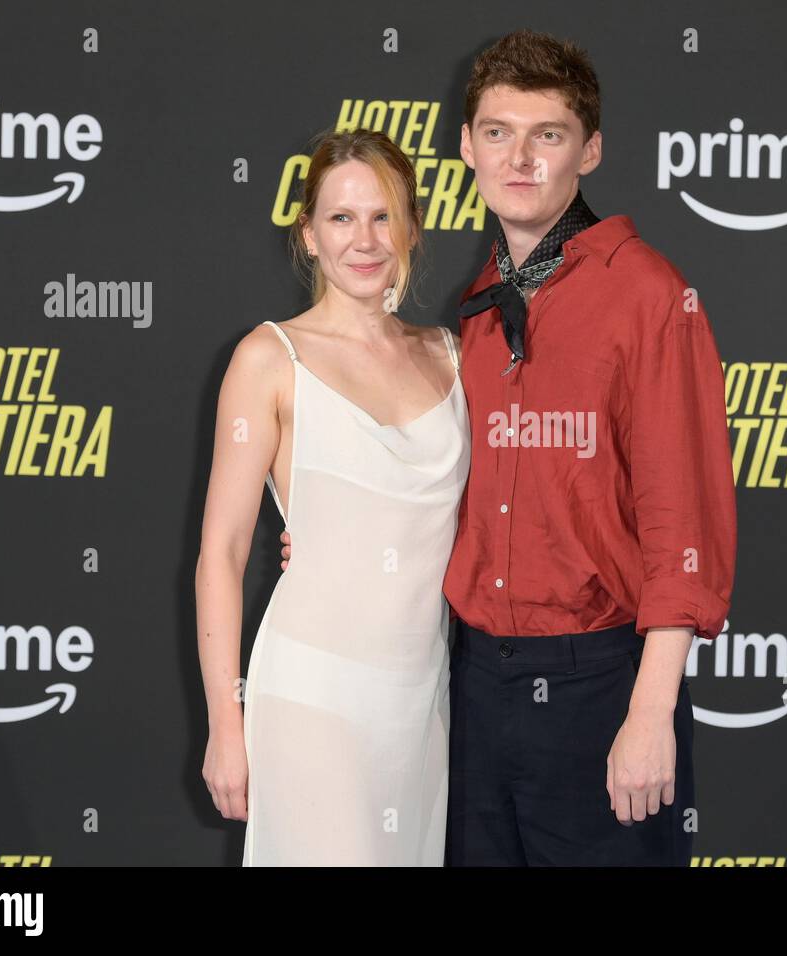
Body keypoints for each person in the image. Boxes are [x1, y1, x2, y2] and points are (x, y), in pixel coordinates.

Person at [281, 29, 736, 866]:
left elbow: (685, 522)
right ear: (466, 147)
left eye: (548, 135)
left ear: (589, 151)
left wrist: (650, 713)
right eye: (498, 133)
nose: (519, 158)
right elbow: (445, 490)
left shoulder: (649, 295)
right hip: (470, 690)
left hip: (601, 685)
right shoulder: (477, 313)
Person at [195, 129, 470, 865]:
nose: (365, 240)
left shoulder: (452, 354)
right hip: (313, 694)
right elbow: (221, 554)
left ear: (412, 225)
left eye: (383, 216)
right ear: (308, 236)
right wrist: (227, 722)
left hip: (424, 704)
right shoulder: (267, 358)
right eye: (342, 218)